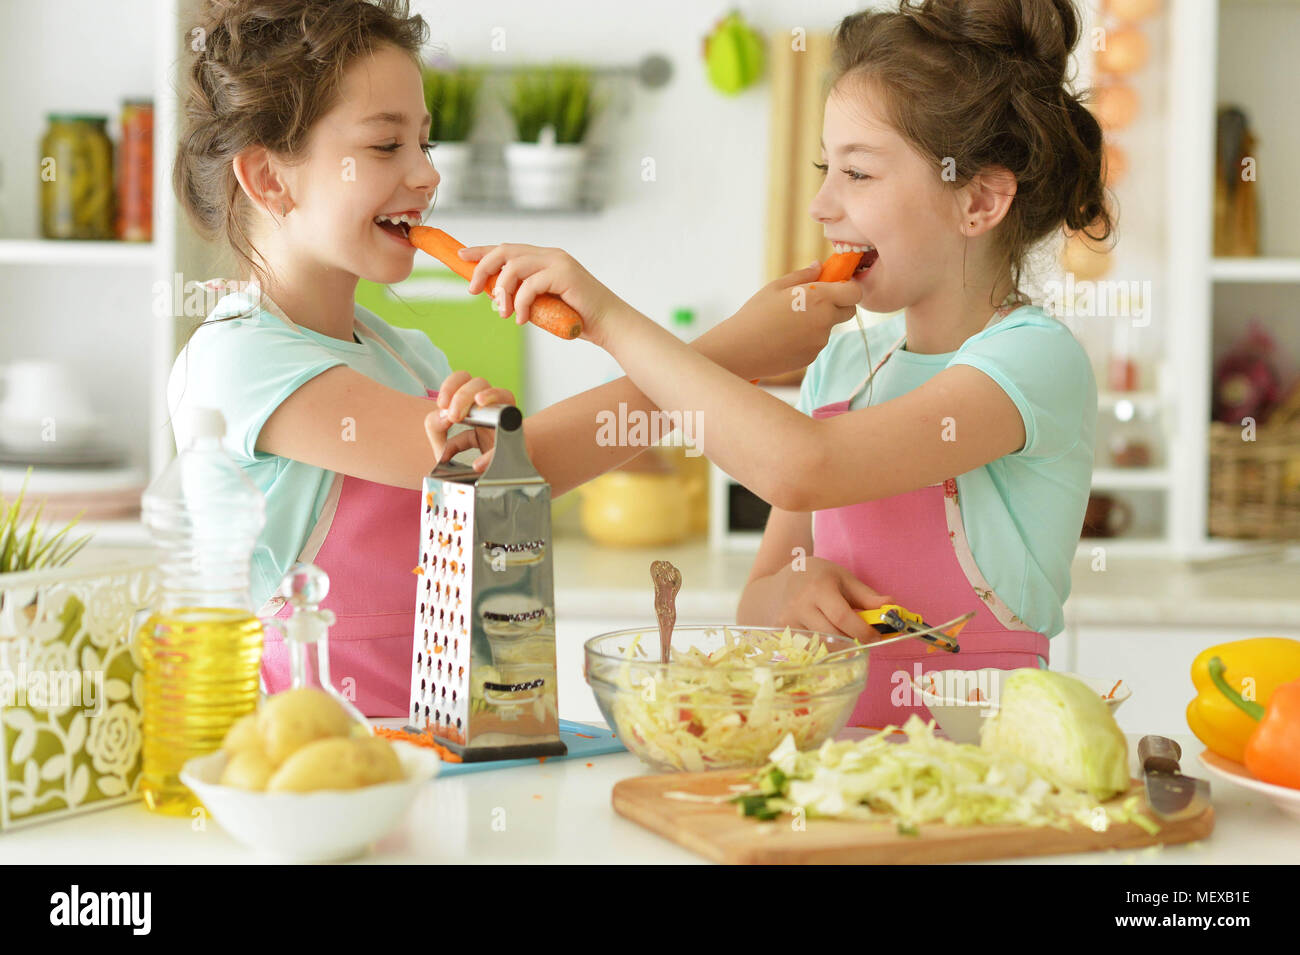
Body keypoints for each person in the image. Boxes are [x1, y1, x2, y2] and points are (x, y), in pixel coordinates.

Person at [166, 0, 860, 715]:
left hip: (438, 750)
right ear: (271, 179)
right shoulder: (236, 358)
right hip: (310, 764)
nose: (426, 176)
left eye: (425, 145)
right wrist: (732, 351)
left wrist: (497, 432)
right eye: (385, 146)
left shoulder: (405, 355)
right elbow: (526, 471)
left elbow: (495, 496)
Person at [461, 0, 1107, 728]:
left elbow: (805, 465)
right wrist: (792, 593)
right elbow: (760, 593)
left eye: (858, 174)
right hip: (834, 771)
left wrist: (611, 321)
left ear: (980, 200)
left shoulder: (1031, 359)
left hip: (983, 780)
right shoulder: (842, 369)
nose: (822, 204)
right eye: (826, 168)